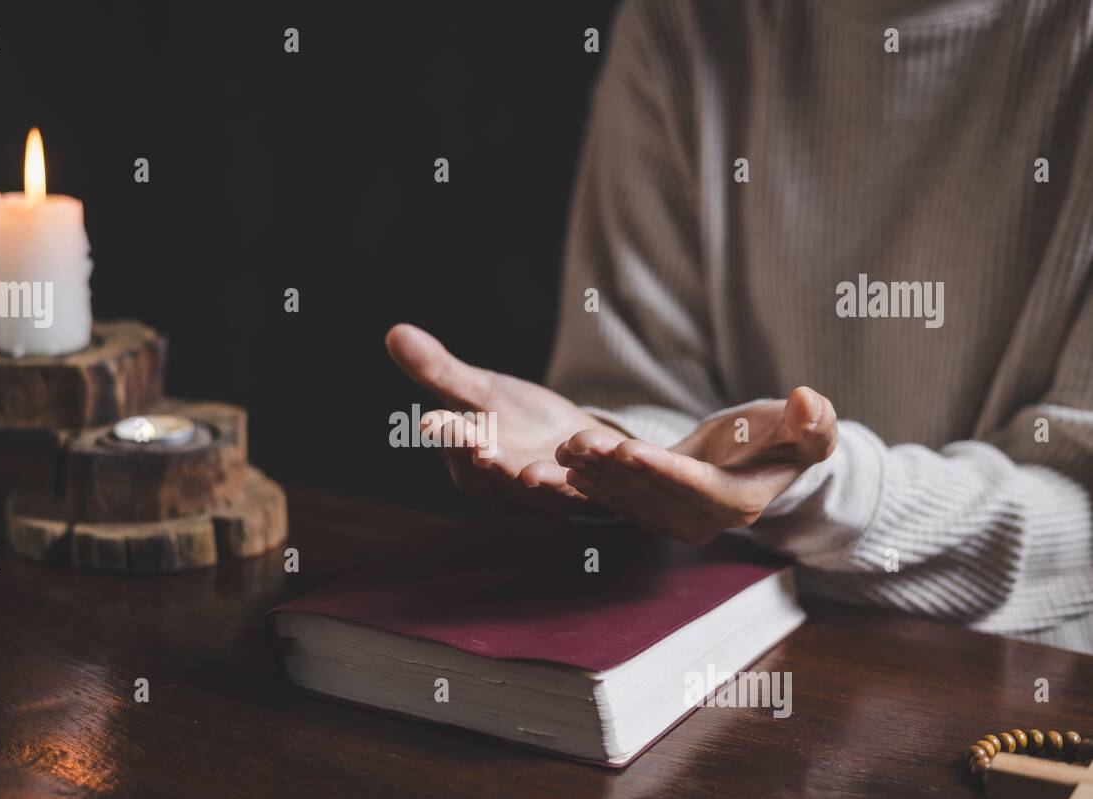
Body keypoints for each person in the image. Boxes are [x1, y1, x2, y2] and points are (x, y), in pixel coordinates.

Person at [386, 0, 1093, 652]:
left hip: (1025, 692)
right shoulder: (683, 21)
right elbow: (646, 399)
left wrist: (812, 492)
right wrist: (612, 441)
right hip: (728, 661)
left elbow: (1079, 516)